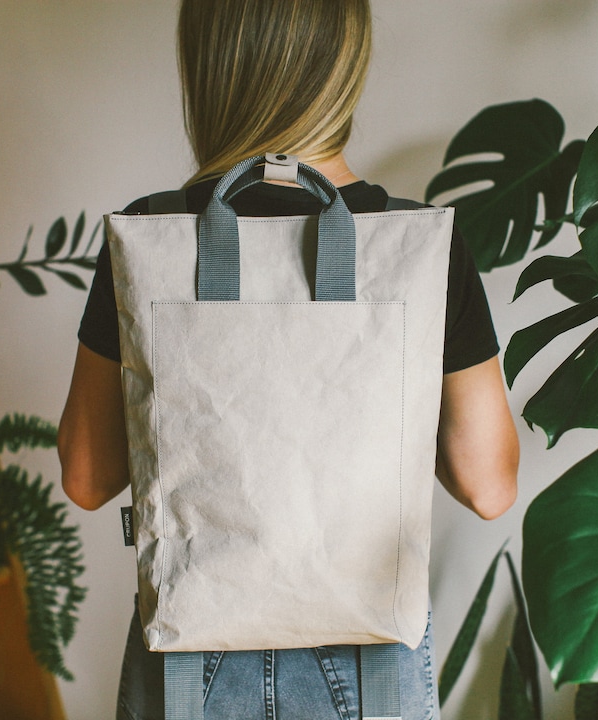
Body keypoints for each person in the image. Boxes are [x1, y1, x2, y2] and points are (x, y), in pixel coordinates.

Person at [58, 1, 520, 718]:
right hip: (369, 646)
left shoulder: (152, 239)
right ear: (345, 66)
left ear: (208, 72)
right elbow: (488, 485)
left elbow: (88, 478)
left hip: (193, 648)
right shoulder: (413, 250)